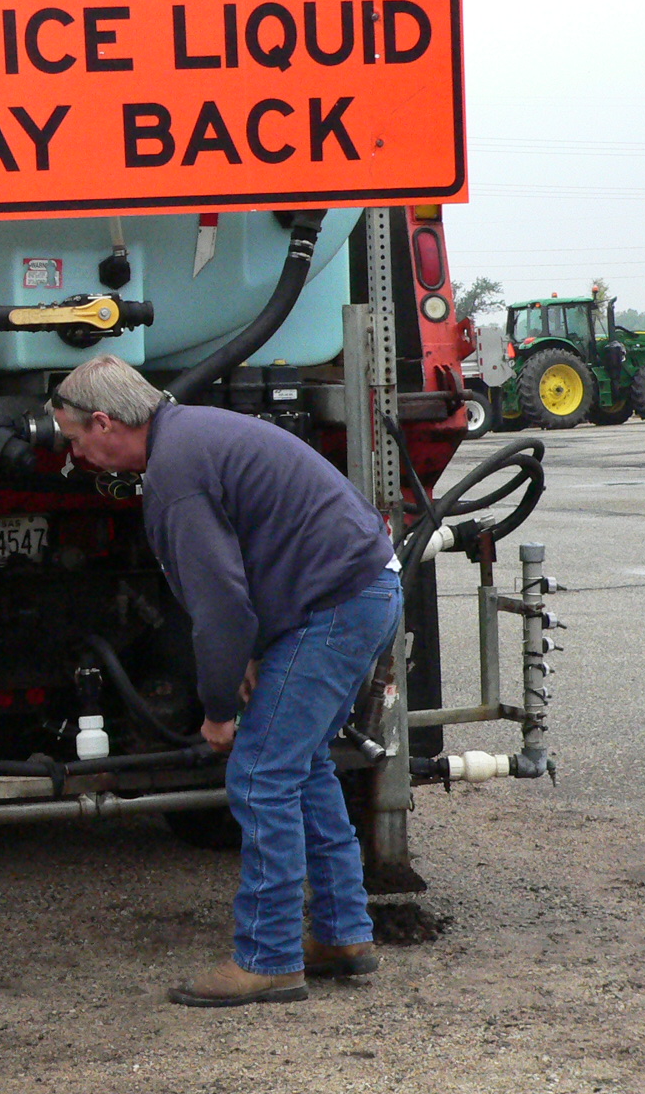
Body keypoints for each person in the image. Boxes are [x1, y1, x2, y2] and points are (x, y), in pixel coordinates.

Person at [49, 354, 402, 1008]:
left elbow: (220, 606)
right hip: (361, 593)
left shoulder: (176, 472)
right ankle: (344, 933)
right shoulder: (194, 435)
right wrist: (249, 650)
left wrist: (216, 711)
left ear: (104, 423)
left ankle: (268, 959)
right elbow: (248, 572)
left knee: (260, 771)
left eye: (75, 440)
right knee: (305, 764)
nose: (78, 457)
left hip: (333, 606)